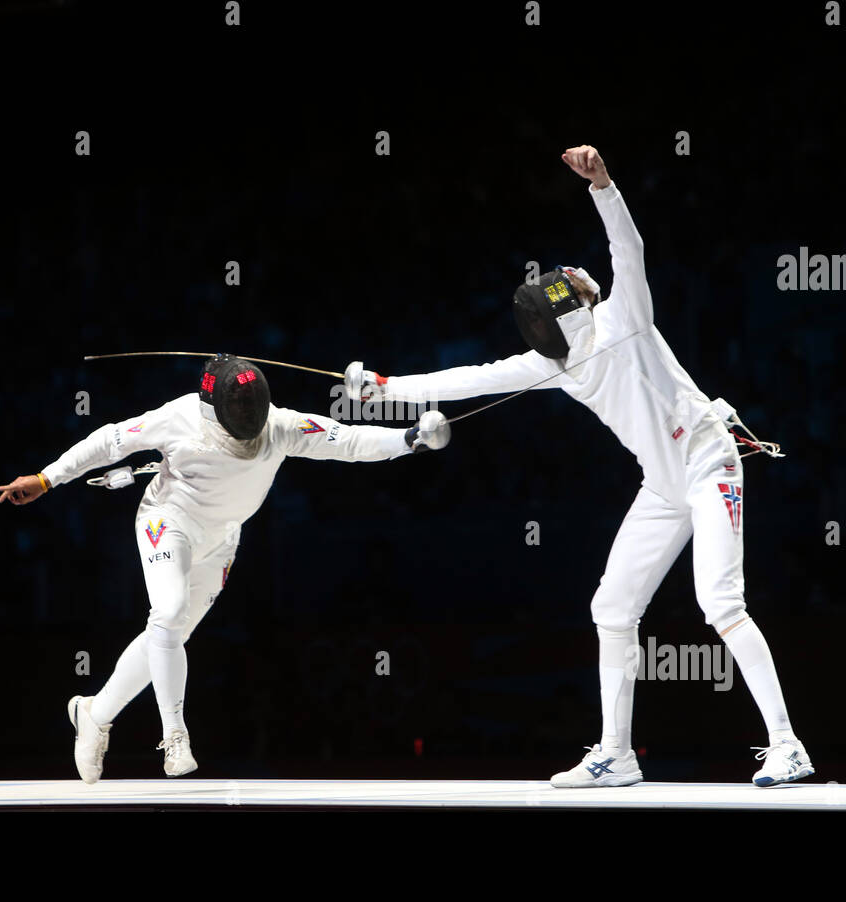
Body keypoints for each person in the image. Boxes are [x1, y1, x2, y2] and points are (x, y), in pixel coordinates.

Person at [345, 146, 812, 788]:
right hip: (666, 486)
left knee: (717, 599)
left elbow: (630, 251)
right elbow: (469, 379)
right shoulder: (551, 366)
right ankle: (616, 754)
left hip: (709, 464)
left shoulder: (628, 316)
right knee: (612, 607)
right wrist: (388, 387)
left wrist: (604, 187)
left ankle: (788, 745)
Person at [0, 353, 450, 782]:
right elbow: (110, 441)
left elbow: (346, 440)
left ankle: (94, 714)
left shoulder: (279, 425)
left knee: (169, 636)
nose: (250, 423)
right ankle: (174, 735)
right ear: (213, 408)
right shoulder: (180, 416)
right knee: (169, 614)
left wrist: (407, 440)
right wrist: (46, 478)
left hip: (221, 540)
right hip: (166, 522)